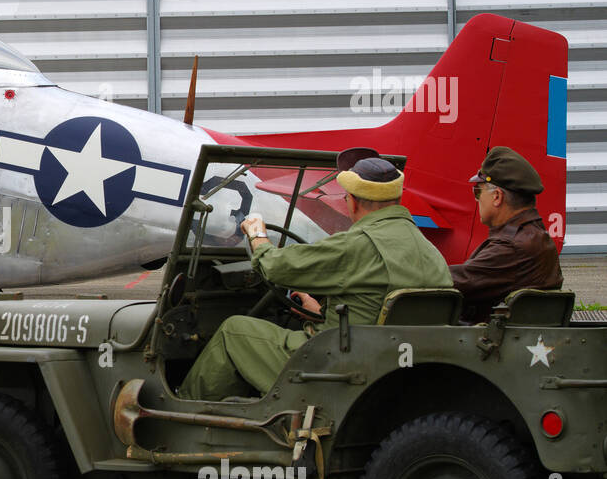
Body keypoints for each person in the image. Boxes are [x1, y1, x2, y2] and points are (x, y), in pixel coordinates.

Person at [178, 150, 452, 401]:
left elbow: (275, 267)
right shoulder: (430, 251)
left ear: (353, 202)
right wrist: (322, 312)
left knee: (234, 330)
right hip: (396, 367)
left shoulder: (356, 245)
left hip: (336, 365)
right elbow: (376, 307)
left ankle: (187, 420)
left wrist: (257, 235)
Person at [450, 146, 562, 322]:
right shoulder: (533, 235)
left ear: (497, 196)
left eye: (478, 191)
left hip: (488, 345)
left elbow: (456, 281)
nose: (477, 199)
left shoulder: (513, 247)